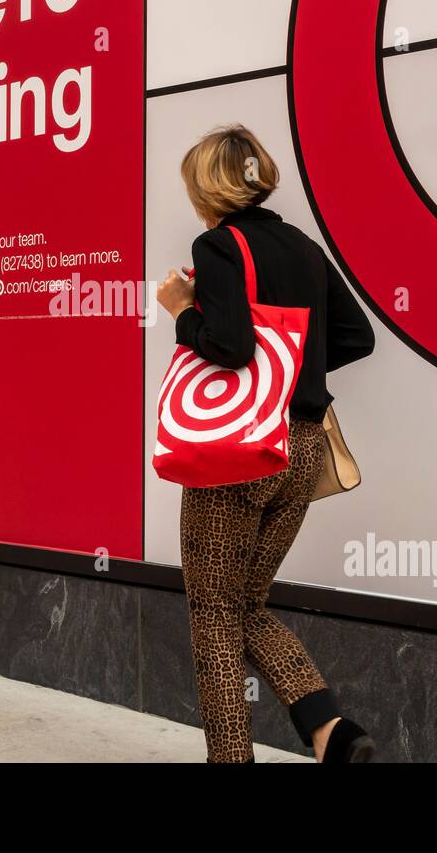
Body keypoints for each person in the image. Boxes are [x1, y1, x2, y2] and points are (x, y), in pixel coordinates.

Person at [156, 124, 377, 764]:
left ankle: (231, 760)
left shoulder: (219, 246)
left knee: (215, 615)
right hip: (303, 449)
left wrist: (181, 309)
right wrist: (297, 367)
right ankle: (329, 730)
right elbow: (356, 338)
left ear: (210, 185)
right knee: (247, 605)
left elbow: (230, 347)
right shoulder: (304, 247)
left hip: (238, 455)